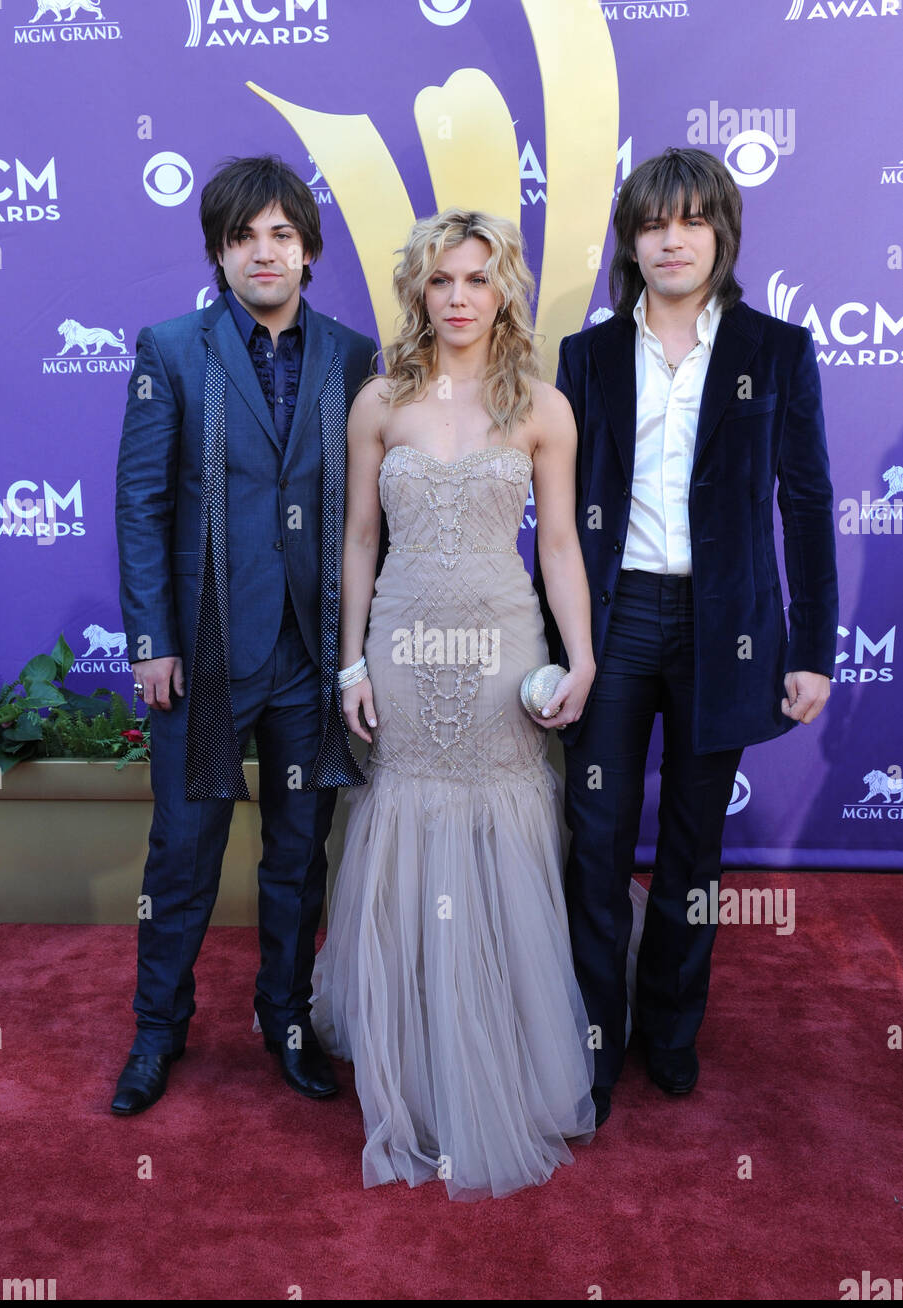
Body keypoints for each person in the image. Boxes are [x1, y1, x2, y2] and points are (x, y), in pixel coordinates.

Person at [535, 148, 838, 1123]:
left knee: (693, 854)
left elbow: (806, 504)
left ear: (720, 234)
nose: (671, 239)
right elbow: (554, 513)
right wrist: (555, 640)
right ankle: (593, 1041)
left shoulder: (774, 350)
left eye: (691, 221)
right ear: (629, 240)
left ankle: (669, 1031)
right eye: (652, 223)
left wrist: (809, 648)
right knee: (593, 842)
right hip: (615, 621)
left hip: (727, 633)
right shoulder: (584, 357)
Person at [310, 209, 598, 1200]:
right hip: (401, 639)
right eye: (443, 280)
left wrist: (583, 656)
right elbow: (356, 538)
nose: (461, 297)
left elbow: (558, 546)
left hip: (497, 647)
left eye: (478, 279)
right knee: (406, 820)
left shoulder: (541, 407)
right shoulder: (378, 400)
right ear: (418, 290)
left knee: (493, 826)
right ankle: (418, 1058)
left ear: (502, 287)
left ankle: (500, 1058)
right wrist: (349, 664)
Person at [111, 154, 376, 1116]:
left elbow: (365, 513)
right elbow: (141, 503)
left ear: (308, 250)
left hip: (313, 657)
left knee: (299, 855)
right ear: (219, 254)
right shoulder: (174, 349)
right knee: (182, 855)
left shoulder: (351, 357)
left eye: (281, 234)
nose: (263, 253)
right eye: (242, 237)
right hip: (208, 652)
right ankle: (157, 1031)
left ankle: (287, 1023)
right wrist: (152, 638)